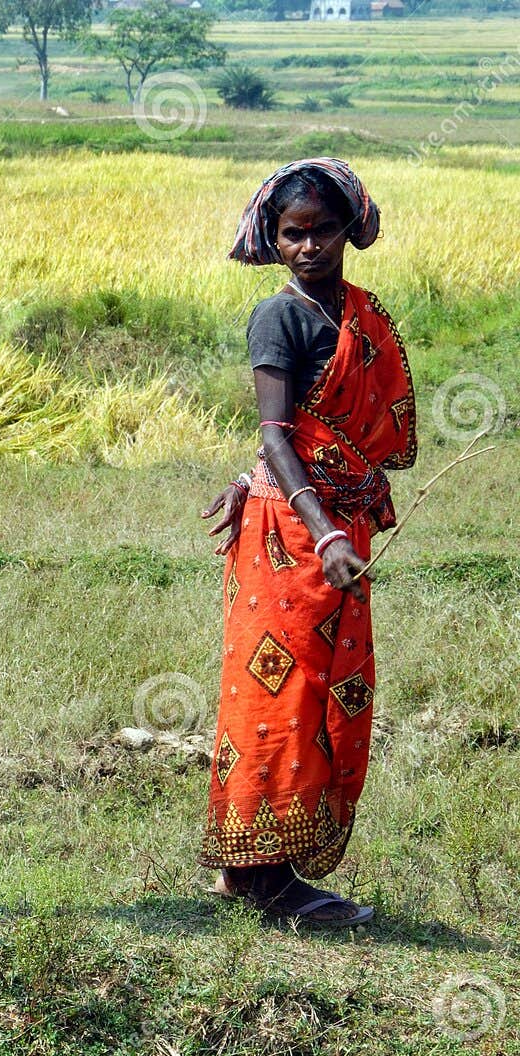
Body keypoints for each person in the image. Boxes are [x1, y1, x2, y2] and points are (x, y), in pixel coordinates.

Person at [200, 158, 416, 928]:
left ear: (350, 229)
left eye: (324, 229)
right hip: (293, 536)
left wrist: (322, 516)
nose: (310, 246)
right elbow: (278, 433)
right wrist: (320, 527)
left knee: (325, 687)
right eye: (294, 233)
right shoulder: (278, 317)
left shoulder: (359, 313)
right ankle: (264, 876)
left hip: (336, 529)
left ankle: (258, 870)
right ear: (274, 238)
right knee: (280, 694)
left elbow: (332, 432)